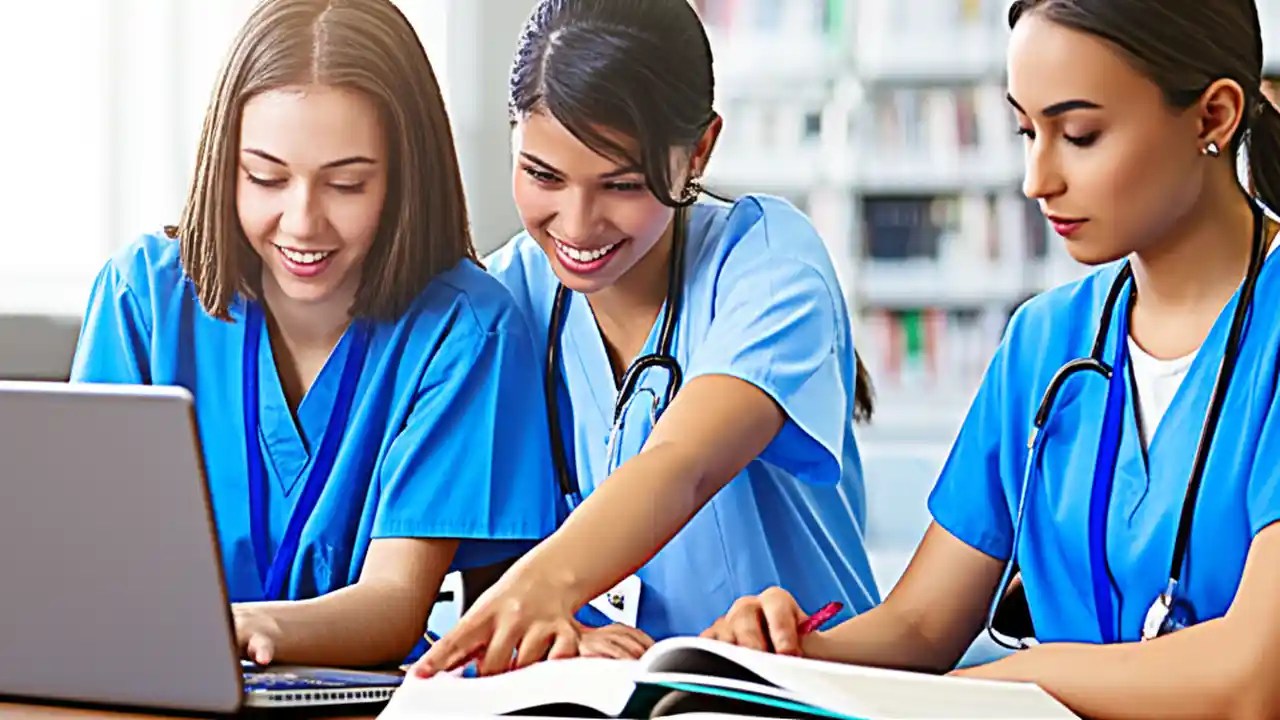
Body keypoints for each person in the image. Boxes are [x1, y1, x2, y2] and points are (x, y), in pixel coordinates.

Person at [703, 1, 1280, 718]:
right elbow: (919, 627)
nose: (1037, 179)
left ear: (1213, 117)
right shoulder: (1045, 343)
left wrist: (1011, 681)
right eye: (1025, 131)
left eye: (1079, 134)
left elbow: (1251, 678)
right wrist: (778, 656)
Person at [69, 0, 556, 668]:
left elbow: (393, 602)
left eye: (347, 184)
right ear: (224, 164)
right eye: (265, 177)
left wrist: (227, 630)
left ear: (404, 177)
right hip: (145, 683)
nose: (302, 223)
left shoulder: (466, 331)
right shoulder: (143, 299)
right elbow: (88, 558)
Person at [412, 0, 881, 677]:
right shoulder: (503, 301)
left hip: (803, 686)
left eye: (622, 184)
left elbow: (683, 464)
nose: (576, 223)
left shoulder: (769, 260)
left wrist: (547, 586)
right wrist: (566, 631)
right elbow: (493, 554)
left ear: (699, 151)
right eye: (543, 175)